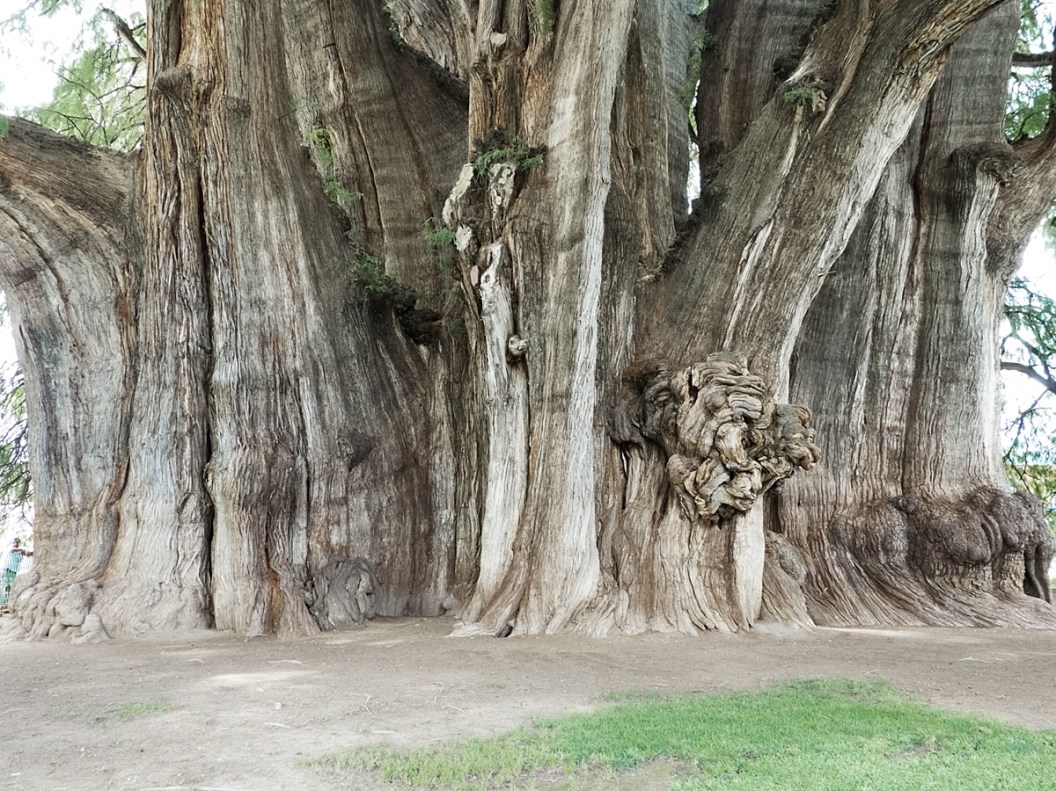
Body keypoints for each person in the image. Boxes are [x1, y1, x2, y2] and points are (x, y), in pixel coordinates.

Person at [1, 537, 30, 608]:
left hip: (14, 571)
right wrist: (22, 549)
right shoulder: (10, 549)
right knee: (5, 587)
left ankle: (6, 604)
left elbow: (27, 554)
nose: (16, 544)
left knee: (10, 588)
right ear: (11, 543)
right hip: (8, 570)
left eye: (17, 542)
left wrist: (27, 552)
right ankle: (2, 604)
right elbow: (13, 549)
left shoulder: (19, 552)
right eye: (14, 542)